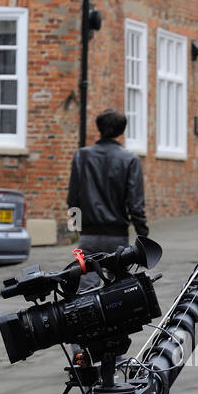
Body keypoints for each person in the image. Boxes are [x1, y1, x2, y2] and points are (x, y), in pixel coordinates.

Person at [67, 110, 148, 285]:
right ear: (122, 131)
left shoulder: (81, 156)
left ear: (99, 128)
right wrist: (143, 235)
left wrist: (77, 228)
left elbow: (73, 199)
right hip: (117, 237)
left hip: (88, 235)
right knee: (120, 291)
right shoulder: (130, 160)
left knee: (85, 292)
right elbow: (135, 204)